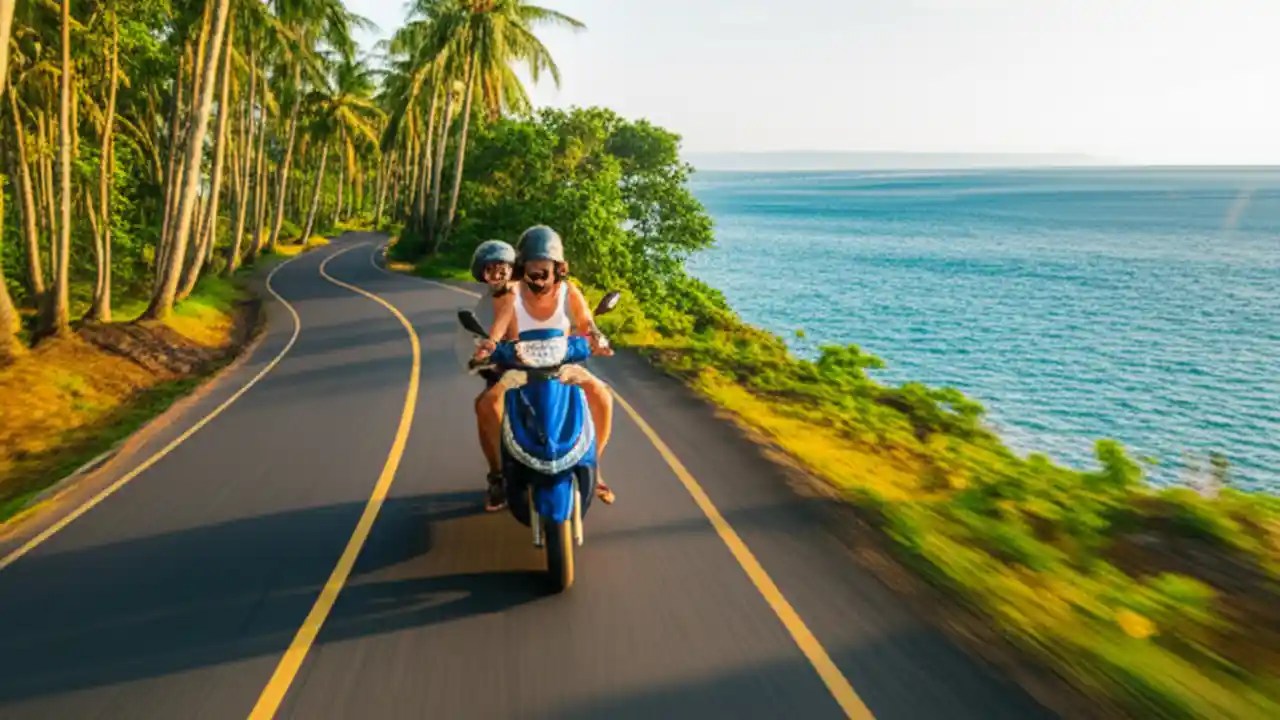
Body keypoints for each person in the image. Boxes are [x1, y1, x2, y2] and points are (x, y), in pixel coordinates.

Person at [474, 225, 616, 509]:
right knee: (487, 404)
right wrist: (489, 346)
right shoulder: (512, 294)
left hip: (563, 366)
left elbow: (587, 322)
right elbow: (499, 327)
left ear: (557, 268)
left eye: (545, 267)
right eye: (532, 267)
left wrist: (597, 339)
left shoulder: (569, 292)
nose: (538, 274)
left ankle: (595, 464)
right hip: (520, 369)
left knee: (602, 396)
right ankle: (497, 475)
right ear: (522, 268)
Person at [465, 240, 517, 511]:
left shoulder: (529, 293)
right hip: (504, 370)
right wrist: (478, 355)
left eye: (503, 267)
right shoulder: (484, 306)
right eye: (491, 269)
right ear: (483, 274)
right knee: (483, 406)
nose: (498, 274)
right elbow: (475, 338)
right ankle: (498, 473)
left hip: (542, 365)